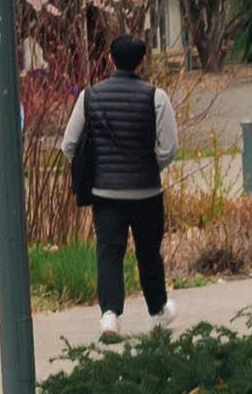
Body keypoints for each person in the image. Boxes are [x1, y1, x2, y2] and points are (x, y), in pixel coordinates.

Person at [58, 31, 179, 320]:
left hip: (106, 194)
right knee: (149, 252)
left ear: (110, 59)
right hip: (147, 192)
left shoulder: (89, 96)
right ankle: (158, 309)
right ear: (142, 61)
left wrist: (96, 170)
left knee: (109, 253)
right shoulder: (157, 97)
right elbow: (169, 148)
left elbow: (69, 145)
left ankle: (110, 316)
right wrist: (151, 167)